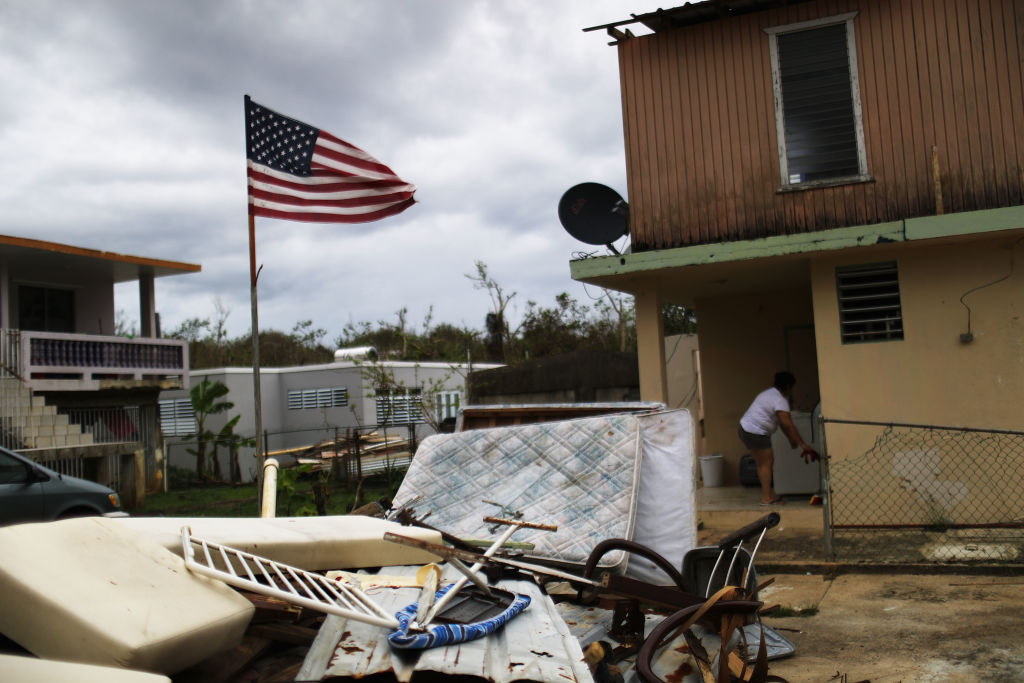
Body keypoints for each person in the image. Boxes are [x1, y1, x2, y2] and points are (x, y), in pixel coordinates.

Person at [738, 371, 812, 506]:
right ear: (789, 386)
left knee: (762, 464)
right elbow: (788, 425)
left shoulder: (768, 394)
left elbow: (782, 423)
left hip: (745, 428)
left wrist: (792, 440)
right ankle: (767, 499)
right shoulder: (780, 400)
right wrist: (803, 444)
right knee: (766, 463)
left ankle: (769, 495)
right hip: (756, 432)